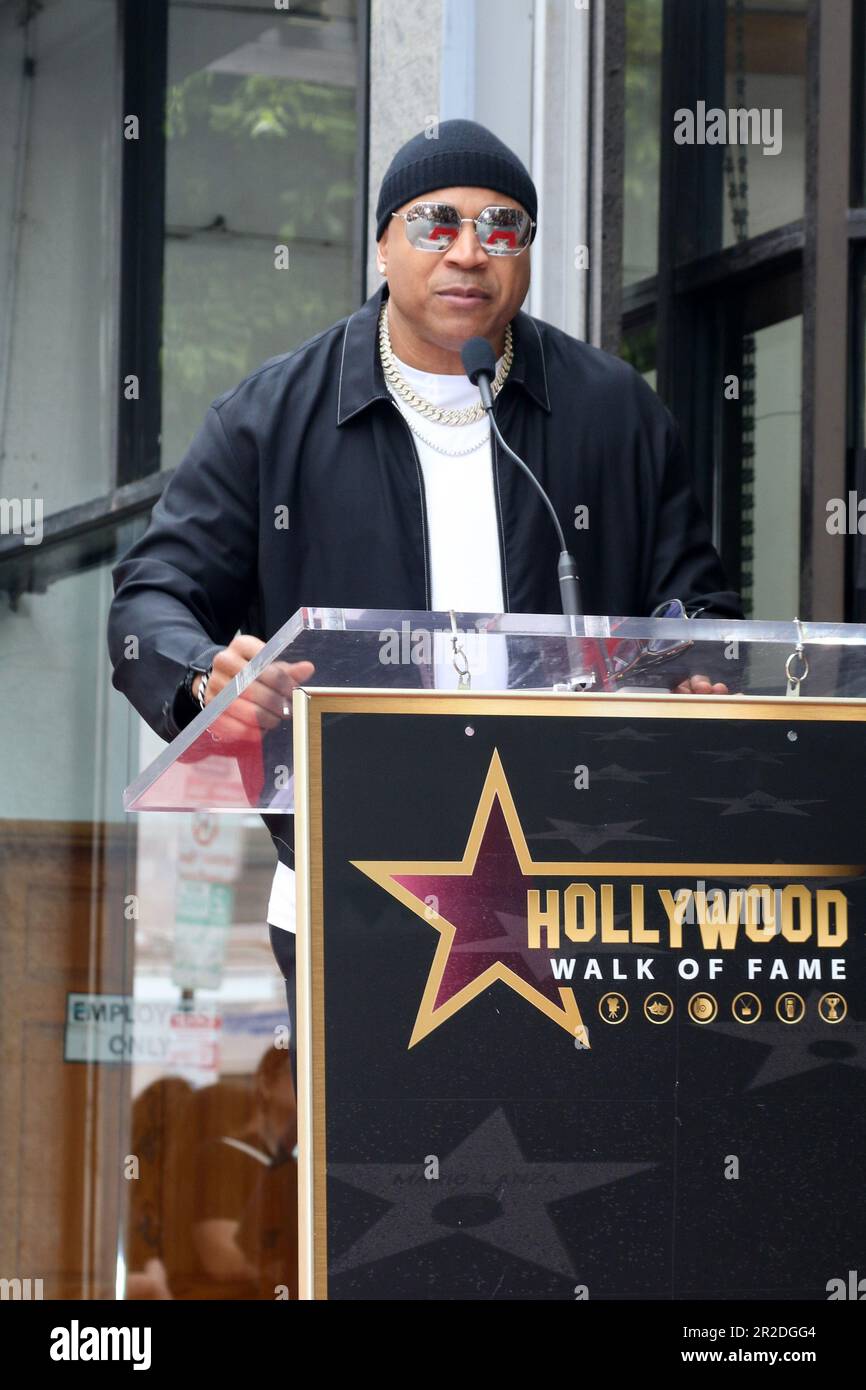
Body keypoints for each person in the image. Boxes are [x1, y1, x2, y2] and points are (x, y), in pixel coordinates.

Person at [108, 119, 742, 1080]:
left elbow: (696, 608)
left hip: (587, 893)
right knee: (374, 1209)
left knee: (592, 1181)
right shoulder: (274, 417)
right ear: (383, 242)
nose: (468, 254)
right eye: (436, 224)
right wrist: (205, 677)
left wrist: (700, 673)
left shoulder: (614, 412)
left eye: (502, 230)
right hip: (355, 893)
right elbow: (149, 600)